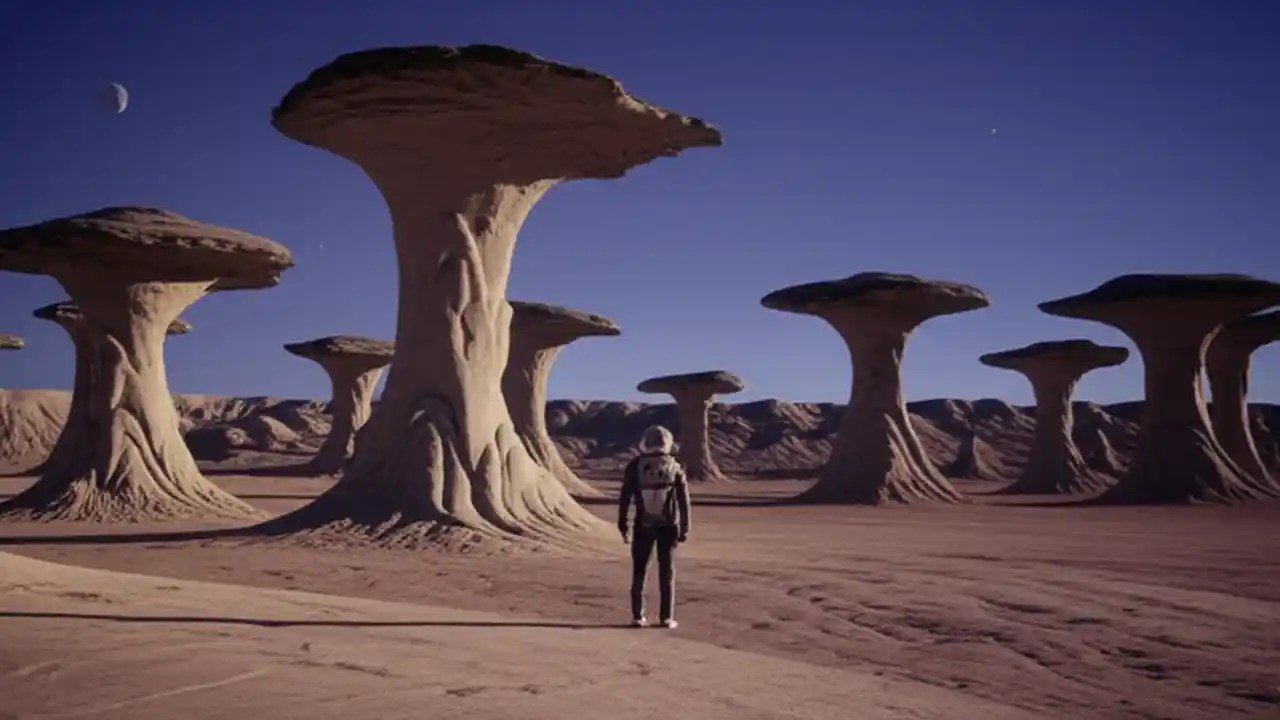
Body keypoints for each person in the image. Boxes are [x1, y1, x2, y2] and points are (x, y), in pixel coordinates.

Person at [617, 424, 691, 629]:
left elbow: (625, 497)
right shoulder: (674, 466)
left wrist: (623, 524)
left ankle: (637, 616)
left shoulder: (635, 466)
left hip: (643, 525)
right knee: (667, 572)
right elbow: (684, 501)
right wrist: (685, 527)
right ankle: (666, 618)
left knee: (639, 571)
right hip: (669, 526)